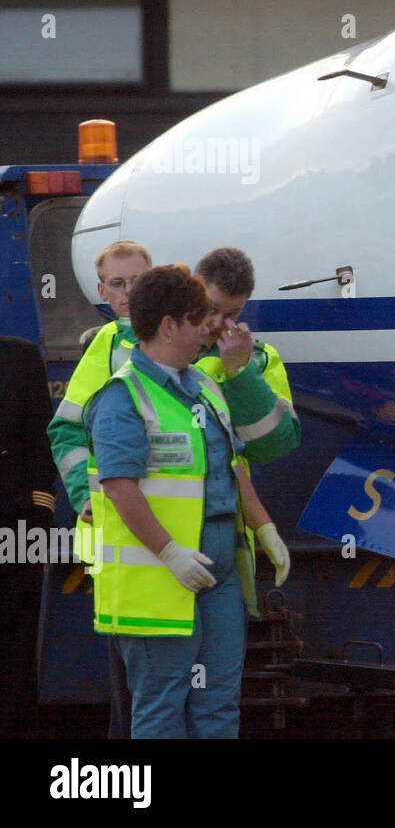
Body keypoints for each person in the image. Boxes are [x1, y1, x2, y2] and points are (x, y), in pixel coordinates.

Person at [84, 265, 283, 738]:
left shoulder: (205, 386)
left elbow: (231, 465)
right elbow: (119, 487)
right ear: (169, 325)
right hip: (161, 578)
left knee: (218, 705)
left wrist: (264, 527)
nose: (208, 331)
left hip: (218, 569)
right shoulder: (123, 396)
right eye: (198, 320)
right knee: (161, 709)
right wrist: (170, 552)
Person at [47, 238, 152, 738]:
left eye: (138, 281)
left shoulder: (190, 339)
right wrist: (84, 495)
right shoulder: (106, 345)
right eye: (118, 283)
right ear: (101, 290)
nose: (129, 292)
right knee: (130, 692)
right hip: (117, 541)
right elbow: (65, 429)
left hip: (189, 534)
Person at [193, 247, 301, 466]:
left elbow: (276, 447)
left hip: (222, 496)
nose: (217, 323)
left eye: (231, 313)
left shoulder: (260, 359)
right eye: (212, 308)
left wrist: (241, 372)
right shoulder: (144, 343)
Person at [0, 336, 58, 738]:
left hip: (13, 525)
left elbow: (41, 444)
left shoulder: (20, 357)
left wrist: (40, 518)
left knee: (15, 648)